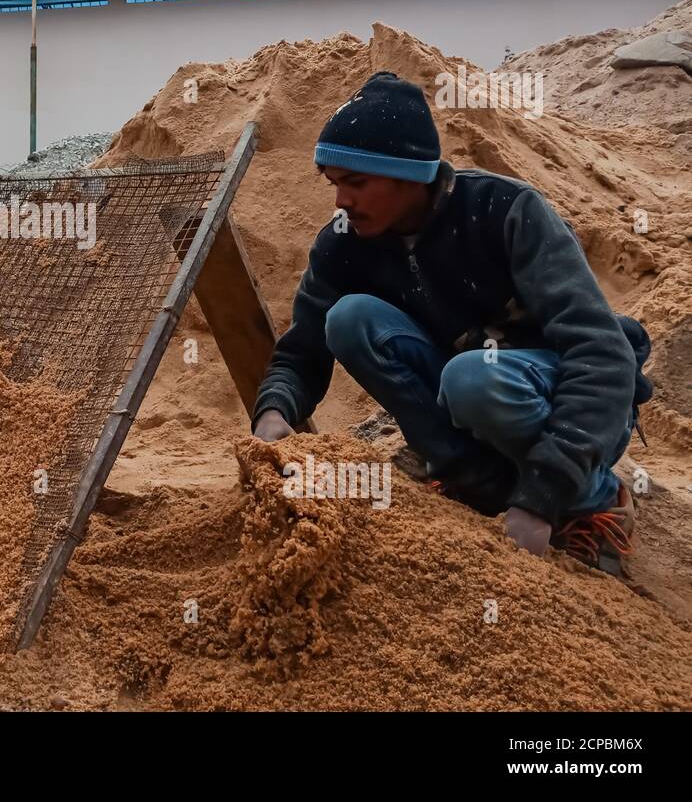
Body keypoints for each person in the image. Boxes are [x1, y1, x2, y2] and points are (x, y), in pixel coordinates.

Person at [252, 71, 650, 575]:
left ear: (412, 175)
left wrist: (542, 496)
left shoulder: (506, 212)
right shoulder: (343, 243)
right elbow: (302, 350)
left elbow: (601, 355)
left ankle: (593, 499)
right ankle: (476, 482)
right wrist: (273, 413)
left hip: (565, 404)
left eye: (357, 182)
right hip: (469, 399)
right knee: (349, 318)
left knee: (472, 376)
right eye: (334, 184)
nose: (341, 202)